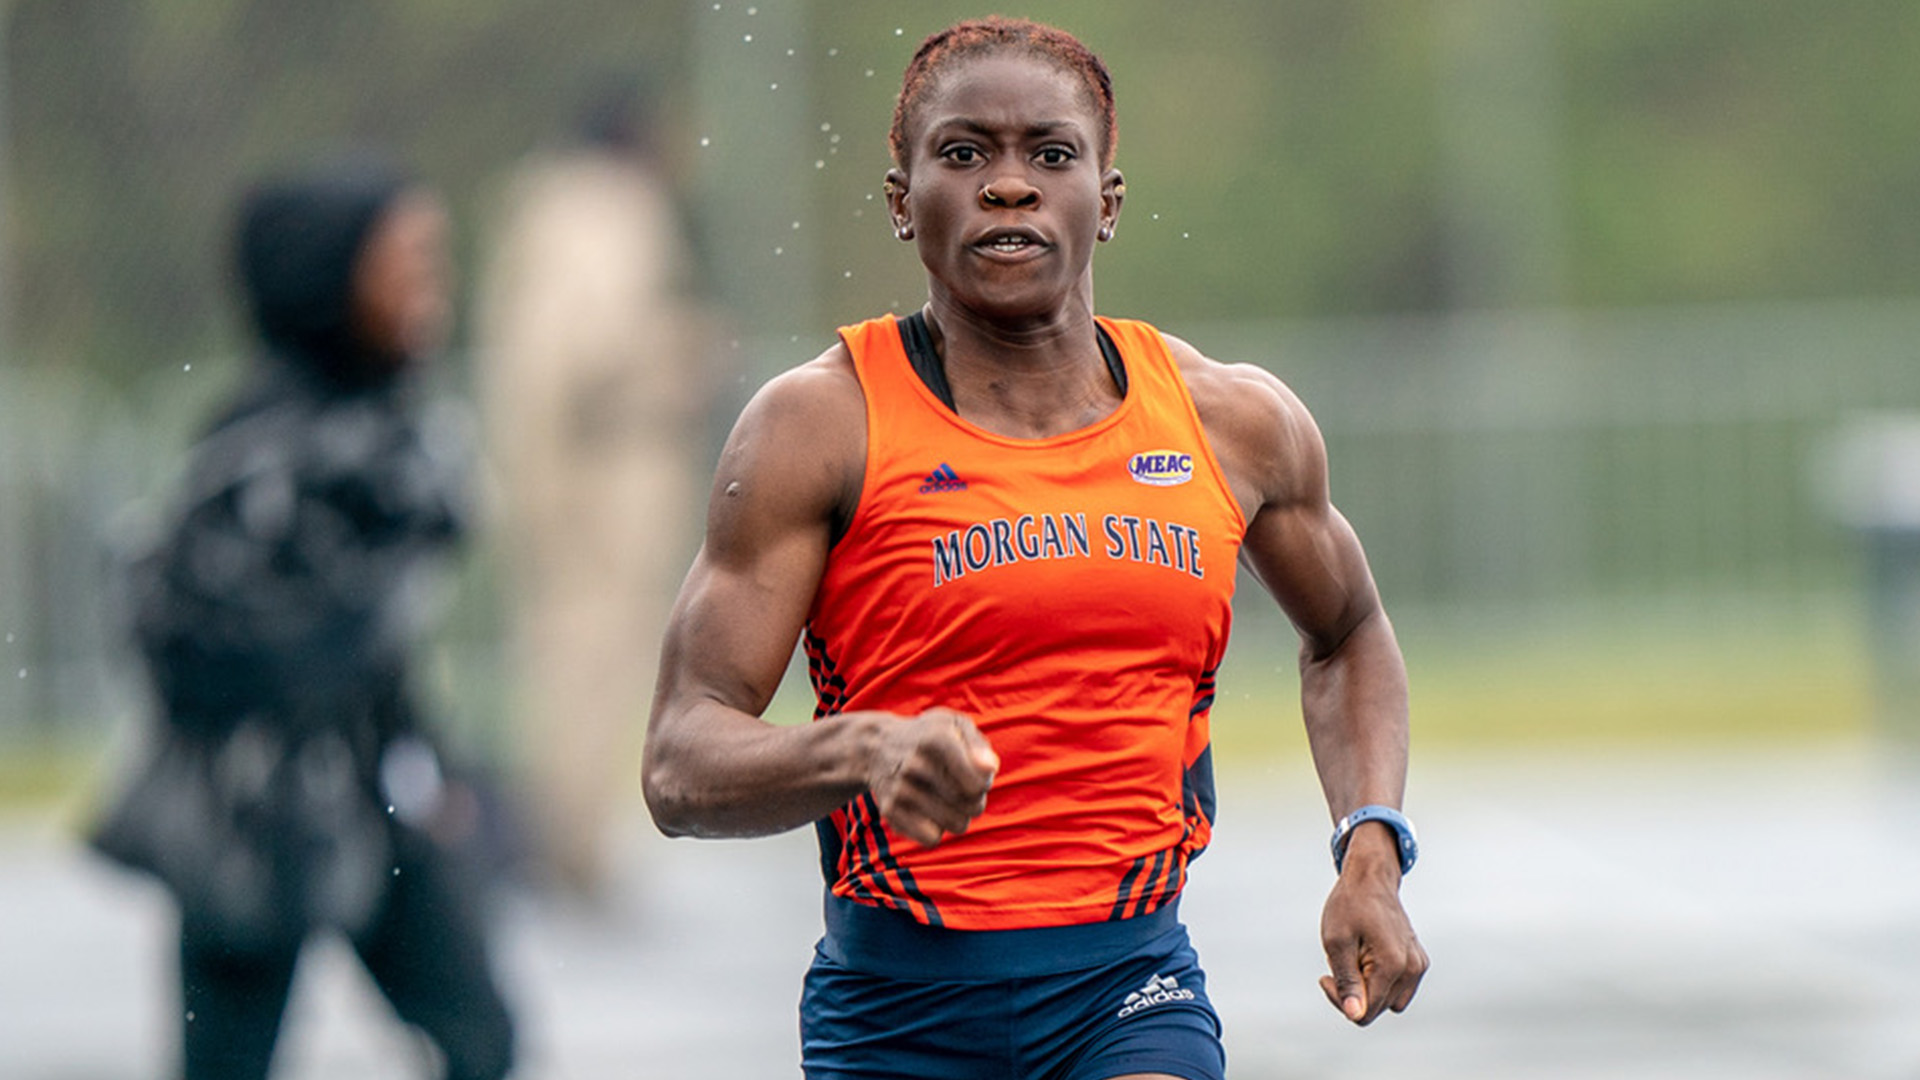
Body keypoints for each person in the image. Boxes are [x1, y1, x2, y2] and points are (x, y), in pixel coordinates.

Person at [642, 16, 1426, 1080]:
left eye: (1051, 155)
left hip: (1128, 990)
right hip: (895, 1014)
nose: (1008, 186)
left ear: (1106, 202)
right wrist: (862, 752)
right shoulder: (818, 428)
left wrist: (1370, 849)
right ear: (901, 201)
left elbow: (1348, 632)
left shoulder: (1232, 423)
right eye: (964, 154)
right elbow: (679, 760)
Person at [96, 155, 517, 1080]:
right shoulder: (256, 460)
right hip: (250, 821)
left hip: (378, 798)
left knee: (482, 1036)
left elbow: (381, 651)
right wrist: (309, 670)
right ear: (328, 280)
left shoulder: (394, 440)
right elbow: (186, 646)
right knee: (228, 1059)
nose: (432, 287)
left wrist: (423, 759)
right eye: (405, 263)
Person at [475, 73, 718, 894]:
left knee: (565, 659)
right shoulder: (606, 216)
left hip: (565, 478)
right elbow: (580, 356)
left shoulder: (548, 217)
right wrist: (677, 354)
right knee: (591, 662)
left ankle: (565, 840)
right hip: (604, 483)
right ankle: (571, 848)